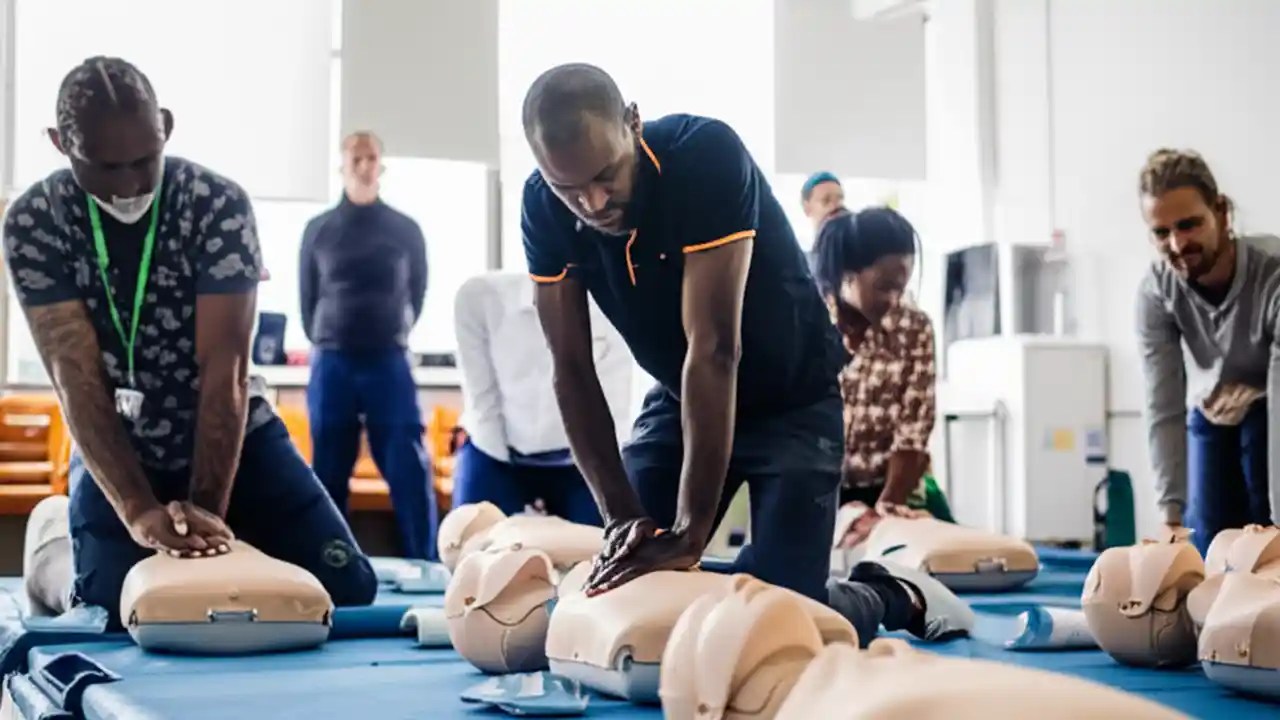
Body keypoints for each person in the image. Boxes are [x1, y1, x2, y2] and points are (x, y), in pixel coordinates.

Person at [2, 57, 377, 625]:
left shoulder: (216, 203)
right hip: (119, 442)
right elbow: (74, 375)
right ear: (60, 144)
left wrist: (203, 515)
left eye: (143, 161)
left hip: (232, 432)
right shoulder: (35, 219)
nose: (128, 184)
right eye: (105, 166)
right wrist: (136, 509)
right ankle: (53, 548)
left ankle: (235, 533)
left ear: (167, 128)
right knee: (106, 609)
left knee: (346, 588)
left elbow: (223, 369)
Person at [519, 63, 848, 603]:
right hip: (683, 398)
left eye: (606, 175)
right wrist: (620, 516)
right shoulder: (542, 208)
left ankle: (885, 595)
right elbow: (572, 369)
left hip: (793, 402)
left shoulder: (704, 157)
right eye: (568, 189)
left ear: (633, 123)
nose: (594, 204)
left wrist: (691, 534)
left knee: (784, 612)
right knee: (627, 585)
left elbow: (715, 347)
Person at [299, 131, 437, 560]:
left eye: (371, 157)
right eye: (355, 158)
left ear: (382, 164)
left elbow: (417, 292)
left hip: (387, 361)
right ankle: (328, 568)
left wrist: (391, 329)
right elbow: (307, 298)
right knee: (327, 472)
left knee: (408, 469)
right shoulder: (318, 230)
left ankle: (427, 564)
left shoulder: (405, 230)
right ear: (342, 164)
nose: (364, 165)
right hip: (333, 361)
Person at [1136, 148, 1280, 555]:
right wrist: (1169, 517)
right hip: (1213, 411)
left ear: (1221, 213)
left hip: (1271, 409)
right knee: (1208, 543)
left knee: (1264, 534)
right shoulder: (1155, 291)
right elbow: (1161, 403)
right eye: (1161, 233)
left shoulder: (1274, 274)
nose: (1178, 244)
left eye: (1189, 225)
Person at [811, 207, 953, 549]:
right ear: (848, 275)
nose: (893, 299)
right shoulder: (810, 323)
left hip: (894, 489)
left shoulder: (913, 328)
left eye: (900, 288)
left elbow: (913, 431)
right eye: (883, 287)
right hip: (816, 490)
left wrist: (886, 508)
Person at [452, 271, 631, 525]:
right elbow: (483, 400)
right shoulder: (481, 296)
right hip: (497, 452)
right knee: (467, 542)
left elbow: (614, 409)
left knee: (605, 549)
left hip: (584, 461)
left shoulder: (614, 303)